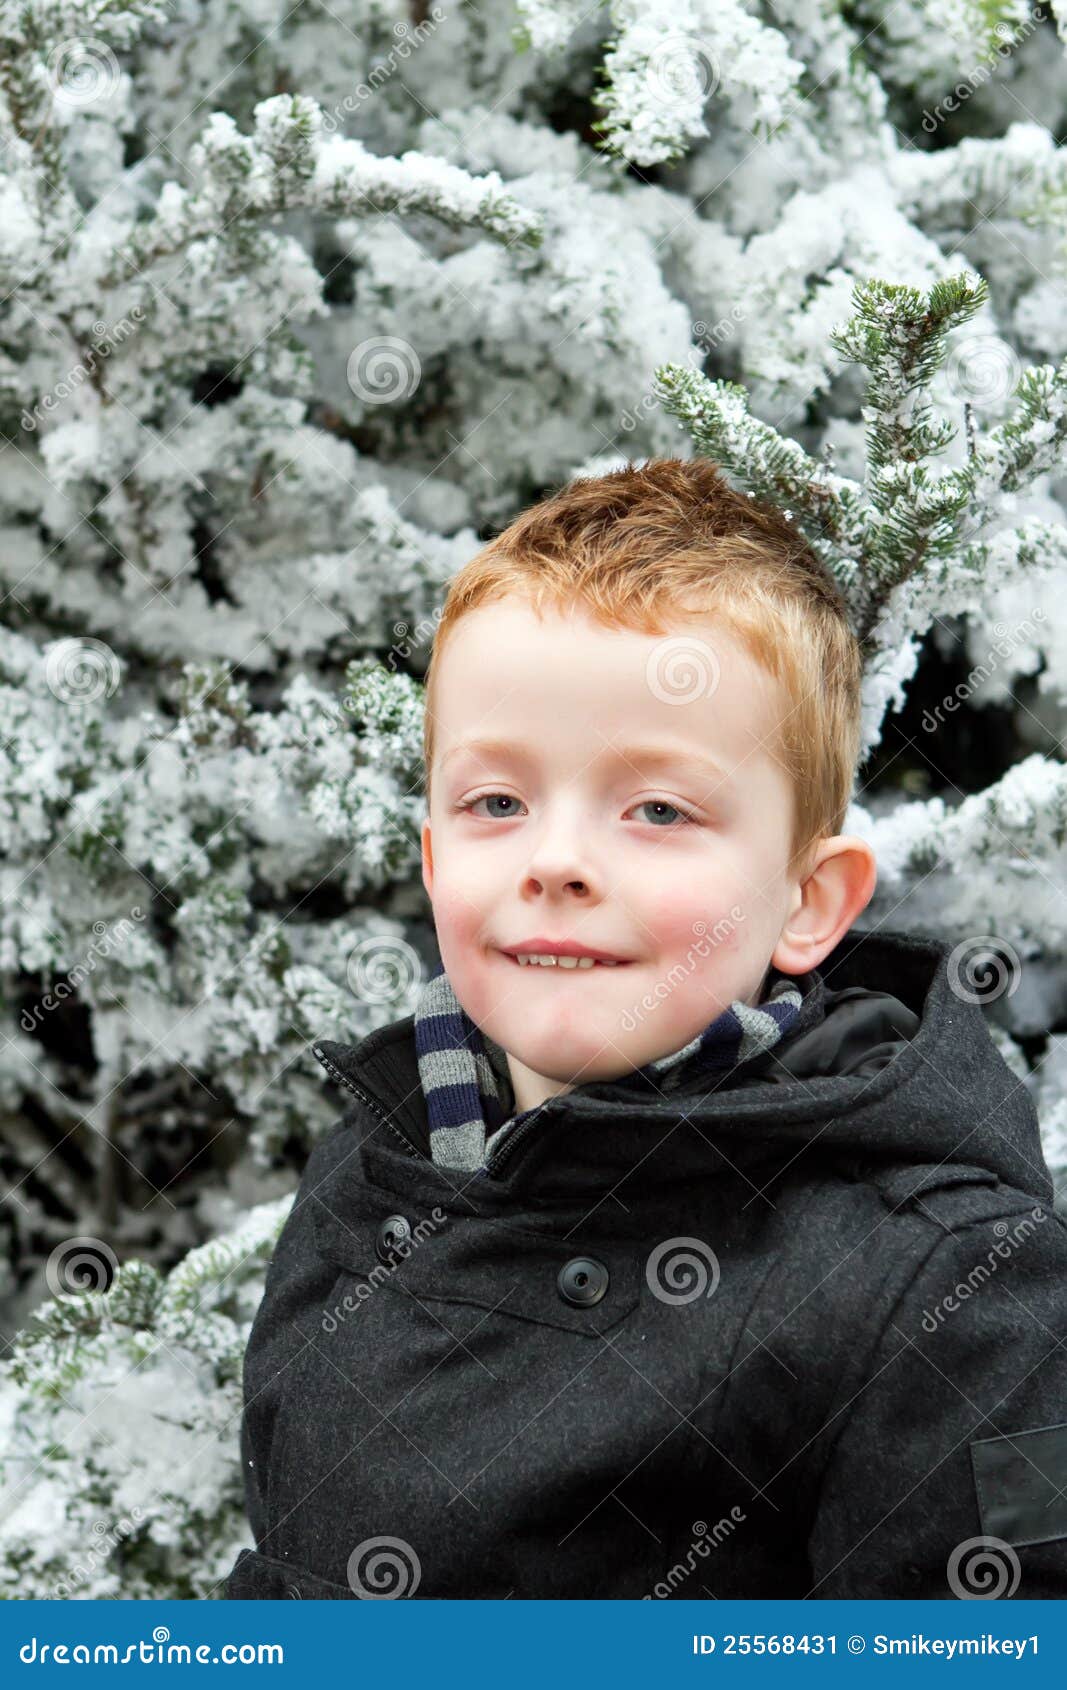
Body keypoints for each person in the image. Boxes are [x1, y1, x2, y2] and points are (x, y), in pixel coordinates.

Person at [225, 457, 1067, 1600]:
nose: (555, 860)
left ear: (806, 899)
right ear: (431, 858)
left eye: (657, 809)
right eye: (496, 802)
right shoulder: (385, 1145)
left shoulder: (948, 1287)